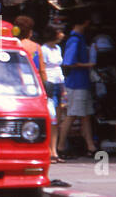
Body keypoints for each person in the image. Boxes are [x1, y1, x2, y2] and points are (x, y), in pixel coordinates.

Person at [58, 14, 98, 157]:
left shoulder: (78, 39)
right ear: (86, 22)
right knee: (73, 114)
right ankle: (61, 147)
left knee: (85, 115)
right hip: (76, 84)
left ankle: (90, 147)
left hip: (82, 82)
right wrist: (89, 64)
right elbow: (69, 62)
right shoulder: (75, 40)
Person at [40, 28, 65, 161]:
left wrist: (63, 87)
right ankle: (48, 150)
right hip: (49, 84)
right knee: (51, 117)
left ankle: (54, 151)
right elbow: (42, 68)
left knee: (57, 120)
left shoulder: (58, 48)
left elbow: (59, 67)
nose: (62, 34)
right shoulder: (43, 49)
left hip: (59, 83)